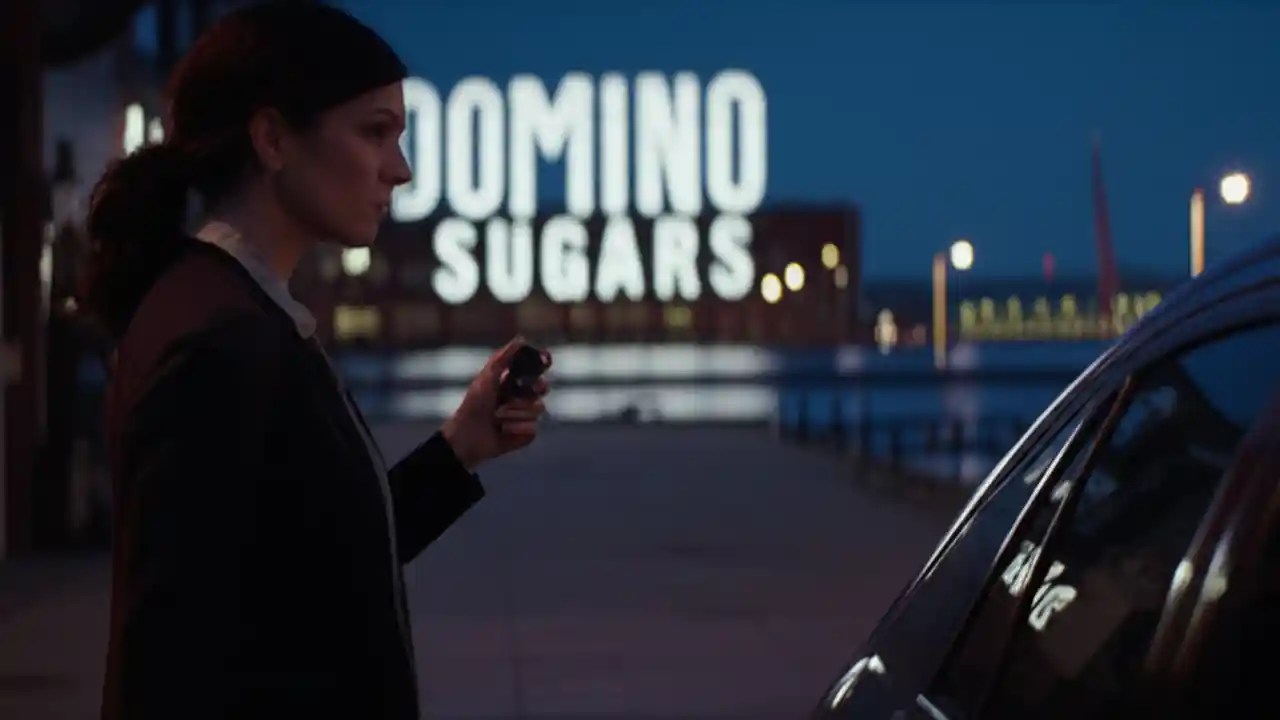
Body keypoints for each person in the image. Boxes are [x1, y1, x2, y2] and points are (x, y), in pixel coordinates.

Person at [80, 3, 548, 718]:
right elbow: (170, 662)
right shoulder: (218, 343)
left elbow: (318, 566)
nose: (401, 170)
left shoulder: (237, 312)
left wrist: (460, 448)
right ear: (273, 138)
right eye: (375, 133)